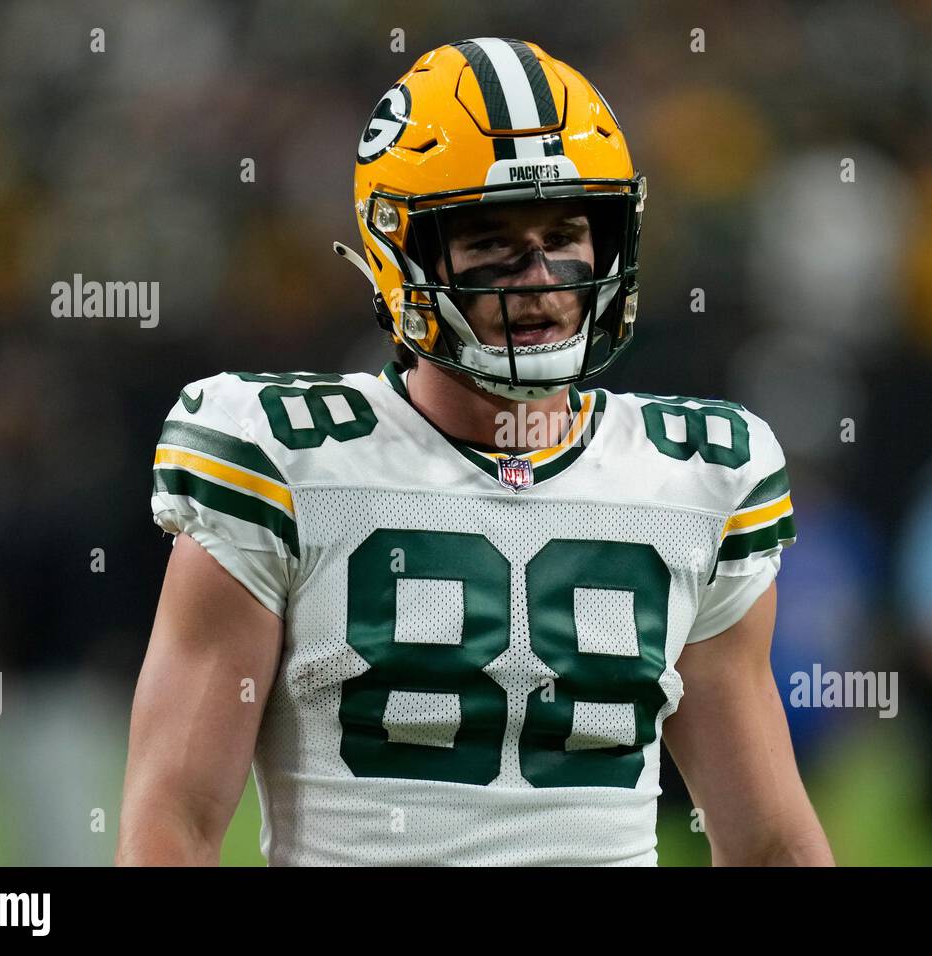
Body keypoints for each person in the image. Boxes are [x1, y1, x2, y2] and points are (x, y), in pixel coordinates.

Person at [117, 37, 832, 866]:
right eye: (491, 241)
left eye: (566, 231)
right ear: (402, 255)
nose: (538, 277)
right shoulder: (278, 459)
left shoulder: (702, 476)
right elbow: (172, 821)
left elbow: (771, 841)